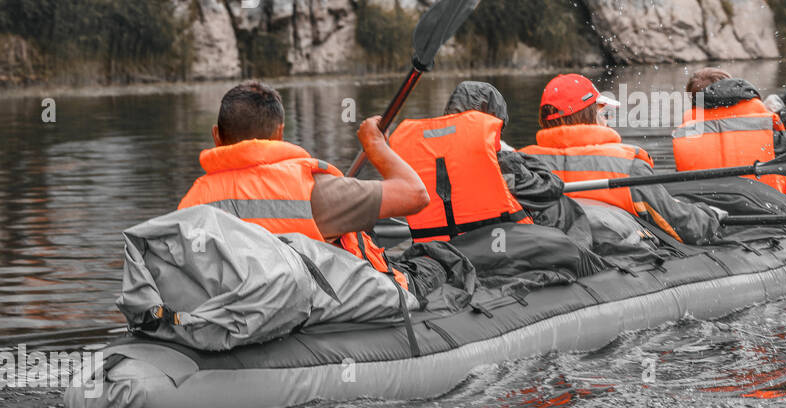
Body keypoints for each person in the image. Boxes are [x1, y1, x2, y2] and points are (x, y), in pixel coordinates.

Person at [178, 81, 428, 289]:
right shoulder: (314, 190)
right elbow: (415, 194)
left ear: (216, 136)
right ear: (280, 133)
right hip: (322, 315)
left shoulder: (191, 203)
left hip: (235, 313)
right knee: (436, 257)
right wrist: (376, 145)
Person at [521, 73, 725, 245]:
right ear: (591, 115)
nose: (608, 121)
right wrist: (710, 216)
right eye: (604, 114)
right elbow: (679, 225)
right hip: (622, 258)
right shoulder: (627, 164)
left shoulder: (522, 164)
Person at [387, 81, 581, 238]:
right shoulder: (502, 163)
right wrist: (517, 158)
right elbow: (550, 188)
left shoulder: (416, 165)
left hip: (439, 248)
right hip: (495, 248)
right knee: (563, 207)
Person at [672, 67, 786, 201]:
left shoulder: (686, 137)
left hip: (710, 211)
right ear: (733, 89)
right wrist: (781, 111)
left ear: (695, 101)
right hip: (767, 208)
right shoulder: (764, 134)